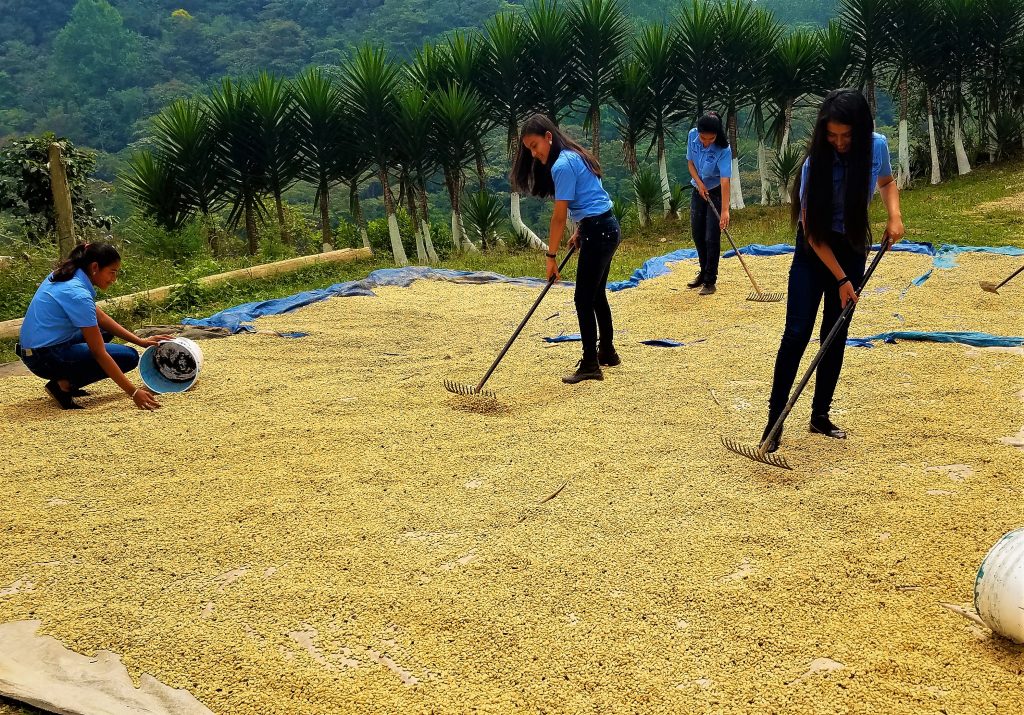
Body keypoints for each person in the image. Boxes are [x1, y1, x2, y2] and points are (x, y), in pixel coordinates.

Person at [760, 89, 905, 452]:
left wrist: (894, 215)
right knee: (796, 332)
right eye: (832, 135)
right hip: (814, 249)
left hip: (853, 245)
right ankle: (774, 421)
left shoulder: (877, 147)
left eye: (846, 136)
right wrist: (841, 279)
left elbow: (886, 182)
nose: (839, 143)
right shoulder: (814, 164)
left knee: (835, 333)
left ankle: (819, 415)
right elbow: (811, 232)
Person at [511, 113, 621, 384]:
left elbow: (559, 216)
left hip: (599, 231)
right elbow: (593, 195)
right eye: (529, 150)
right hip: (605, 226)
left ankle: (591, 365)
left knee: (583, 299)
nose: (534, 154)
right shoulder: (574, 155)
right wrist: (581, 229)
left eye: (535, 146)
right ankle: (607, 352)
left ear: (548, 137)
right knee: (596, 296)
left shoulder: (562, 165)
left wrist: (551, 257)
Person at [16, 242, 172, 410]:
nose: (114, 279)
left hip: (36, 349)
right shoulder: (78, 294)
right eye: (112, 272)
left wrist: (140, 341)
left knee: (103, 330)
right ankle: (63, 384)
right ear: (95, 267)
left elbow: (100, 318)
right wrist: (133, 392)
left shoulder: (65, 274)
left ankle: (66, 378)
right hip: (44, 357)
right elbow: (99, 353)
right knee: (129, 357)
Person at [685, 111, 732, 296]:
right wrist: (699, 183)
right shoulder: (692, 135)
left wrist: (725, 210)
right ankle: (703, 272)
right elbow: (690, 163)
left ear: (717, 135)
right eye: (703, 138)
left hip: (717, 191)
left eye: (710, 139)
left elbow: (725, 180)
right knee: (697, 233)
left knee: (711, 236)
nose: (706, 142)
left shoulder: (724, 149)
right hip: (699, 188)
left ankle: (710, 280)